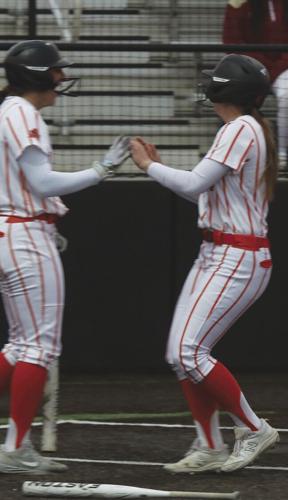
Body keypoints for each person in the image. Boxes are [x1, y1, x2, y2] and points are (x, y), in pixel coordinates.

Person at [130, 54, 279, 474]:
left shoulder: (241, 128)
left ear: (225, 90)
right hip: (218, 250)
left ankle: (252, 428)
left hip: (238, 254)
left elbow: (194, 183)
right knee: (181, 354)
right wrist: (159, 169)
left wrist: (149, 167)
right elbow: (204, 194)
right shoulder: (241, 128)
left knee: (188, 351)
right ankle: (210, 445)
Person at [0, 40, 130, 473]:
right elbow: (43, 182)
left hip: (17, 228)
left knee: (21, 346)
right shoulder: (21, 112)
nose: (60, 77)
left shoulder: (10, 110)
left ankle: (16, 445)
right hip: (22, 231)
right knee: (39, 347)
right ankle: (16, 447)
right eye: (55, 71)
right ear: (36, 75)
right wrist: (102, 170)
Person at [223, 0, 288, 167]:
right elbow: (232, 41)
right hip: (251, 64)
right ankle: (241, 156)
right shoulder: (239, 2)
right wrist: (261, 66)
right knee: (234, 93)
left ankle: (284, 155)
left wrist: (272, 71)